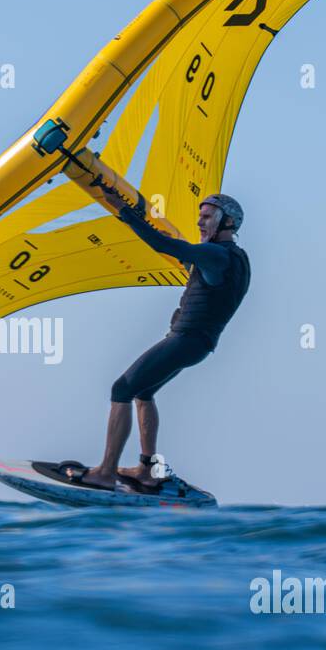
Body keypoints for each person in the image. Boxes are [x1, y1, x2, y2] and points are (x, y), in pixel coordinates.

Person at [63, 193, 250, 491]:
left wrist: (126, 213)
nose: (200, 222)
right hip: (196, 343)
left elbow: (165, 245)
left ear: (227, 222)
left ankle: (106, 473)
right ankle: (147, 470)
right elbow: (182, 254)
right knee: (144, 392)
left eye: (207, 217)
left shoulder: (219, 254)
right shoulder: (231, 258)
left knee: (121, 389)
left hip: (187, 340)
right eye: (199, 216)